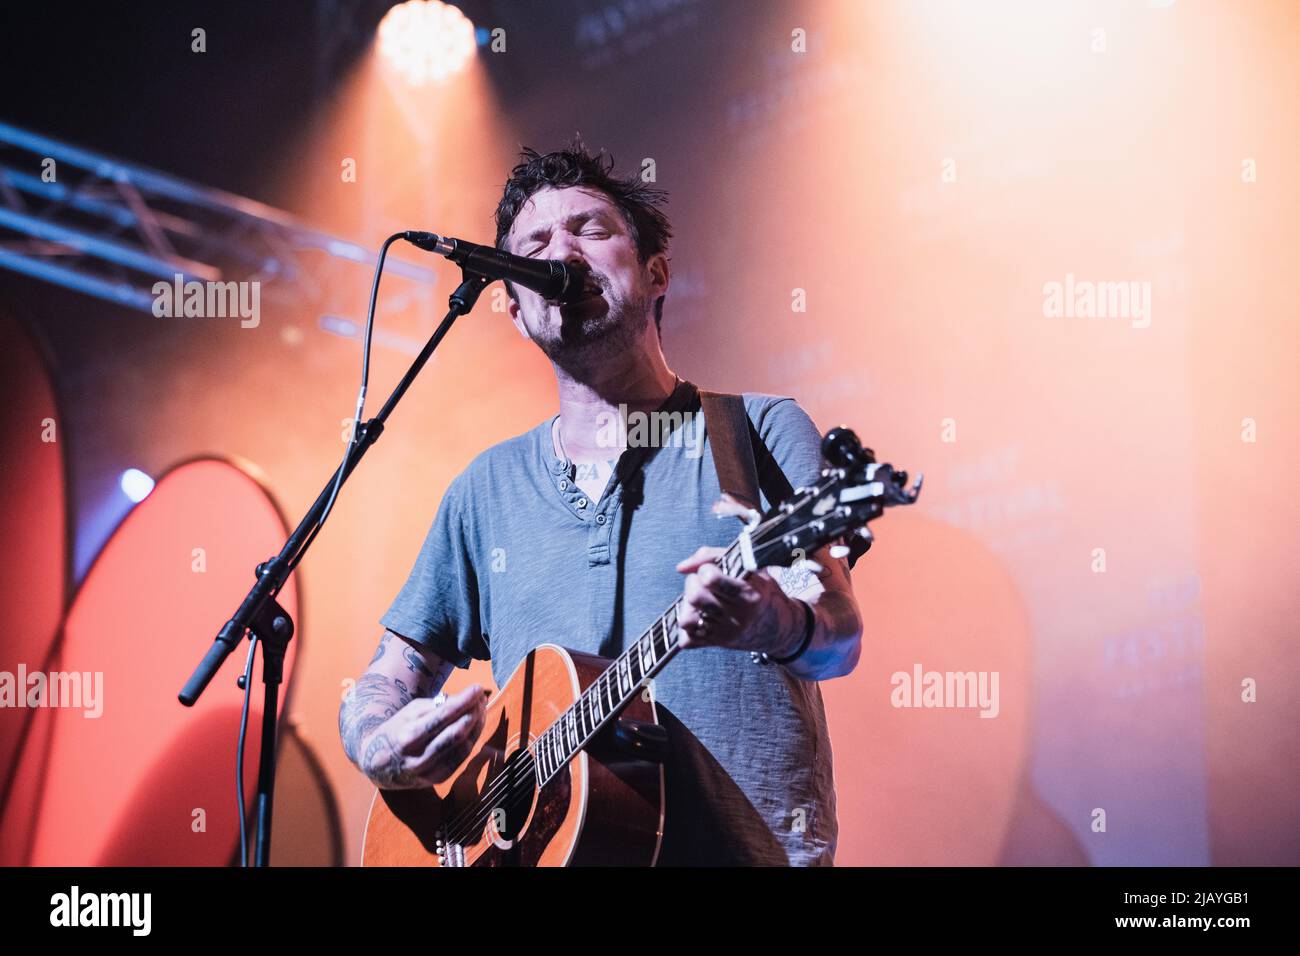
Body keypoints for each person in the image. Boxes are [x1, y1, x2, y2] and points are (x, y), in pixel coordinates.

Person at [339, 140, 863, 865]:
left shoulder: (756, 433)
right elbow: (386, 679)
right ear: (515, 311)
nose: (564, 255)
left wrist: (771, 619)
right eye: (536, 245)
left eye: (590, 230)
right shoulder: (484, 490)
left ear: (656, 274)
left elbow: (839, 637)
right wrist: (379, 746)